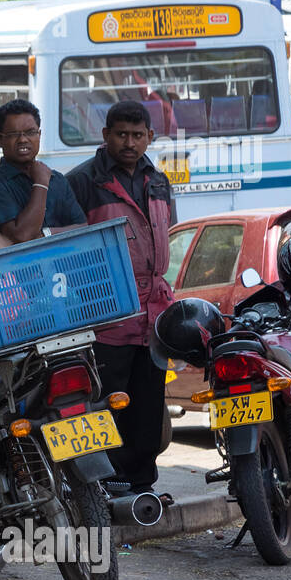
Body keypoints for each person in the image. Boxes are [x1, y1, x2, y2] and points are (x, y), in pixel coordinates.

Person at [67, 100, 176, 499]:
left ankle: (141, 486)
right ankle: (101, 488)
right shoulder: (81, 181)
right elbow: (66, 247)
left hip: (153, 316)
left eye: (138, 135)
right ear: (106, 135)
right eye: (121, 134)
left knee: (148, 406)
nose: (130, 143)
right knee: (107, 402)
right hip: (106, 310)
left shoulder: (159, 180)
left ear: (150, 137)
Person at [0, 99, 85, 248]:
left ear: (39, 134)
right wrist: (40, 184)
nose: (23, 140)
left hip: (63, 267)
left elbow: (83, 229)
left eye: (30, 132)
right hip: (19, 270)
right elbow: (23, 236)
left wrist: (47, 234)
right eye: (14, 134)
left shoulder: (57, 179)